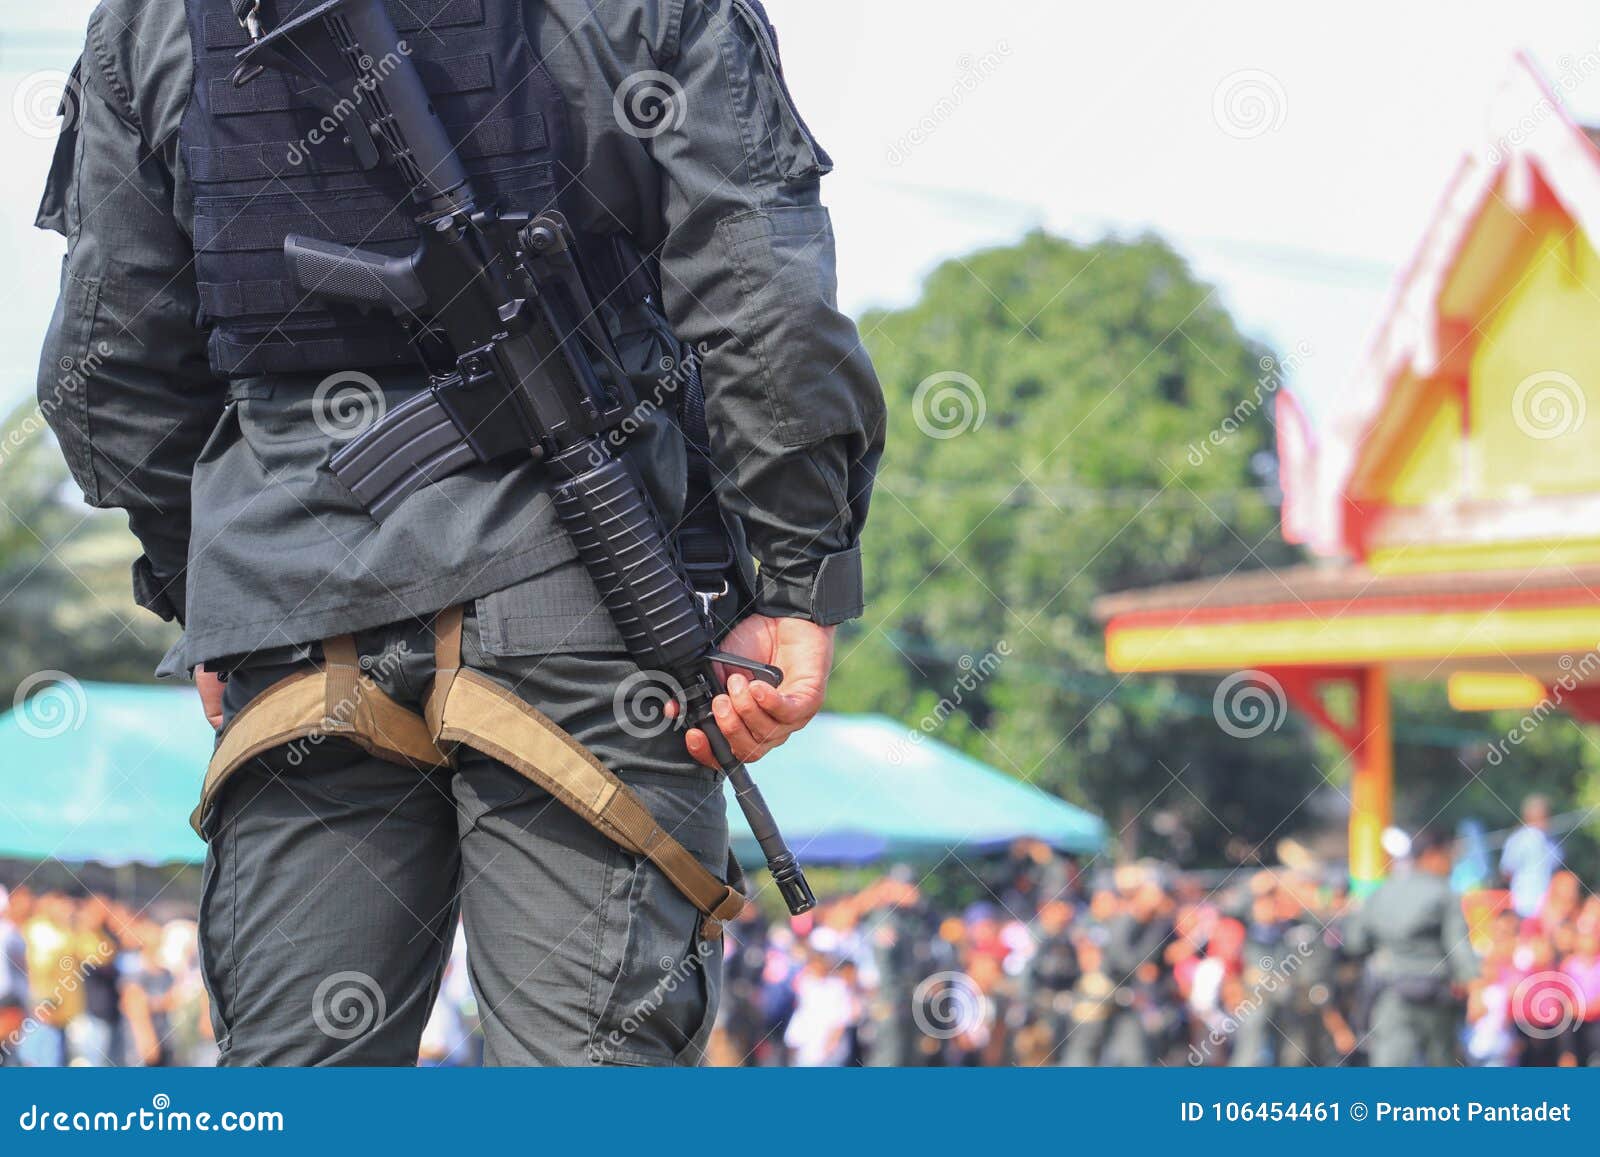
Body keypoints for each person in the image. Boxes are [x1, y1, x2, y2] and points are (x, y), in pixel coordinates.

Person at [37, 0, 883, 1066]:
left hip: (298, 629)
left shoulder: (153, 17)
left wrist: (201, 585)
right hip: (584, 617)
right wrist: (799, 581)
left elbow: (105, 365)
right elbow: (766, 309)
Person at [1344, 828, 1479, 1066]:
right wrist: (1476, 987)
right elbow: (1458, 947)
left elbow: (1355, 942)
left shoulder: (1381, 891)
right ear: (1433, 855)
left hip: (1390, 993)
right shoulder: (1445, 893)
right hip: (1437, 996)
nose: (1451, 864)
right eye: (1449, 857)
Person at [1501, 795, 1562, 919]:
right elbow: (1507, 871)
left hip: (1548, 907)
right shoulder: (1519, 840)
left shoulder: (1549, 840)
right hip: (1525, 905)